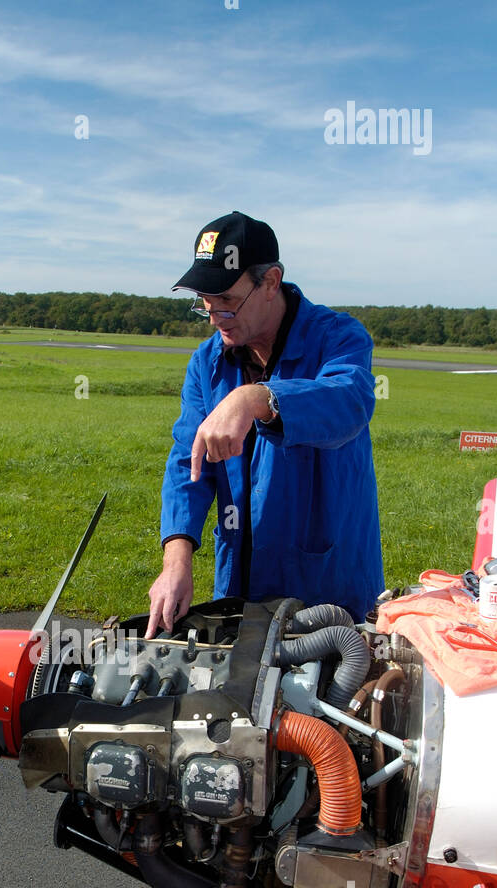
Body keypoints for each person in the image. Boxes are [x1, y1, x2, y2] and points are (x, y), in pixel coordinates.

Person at [146, 211, 384, 638]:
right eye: (205, 301)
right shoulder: (207, 363)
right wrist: (176, 560)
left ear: (271, 282)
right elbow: (188, 462)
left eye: (227, 300)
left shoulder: (339, 337)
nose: (215, 315)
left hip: (327, 587)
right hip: (240, 584)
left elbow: (346, 402)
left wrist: (258, 398)